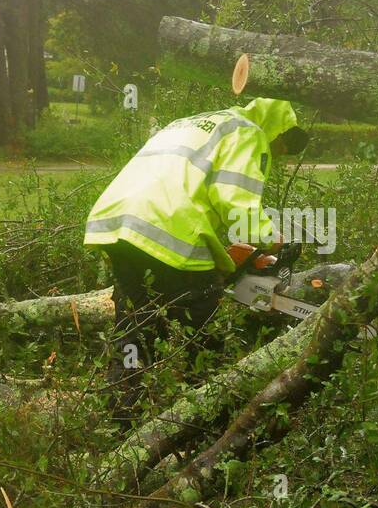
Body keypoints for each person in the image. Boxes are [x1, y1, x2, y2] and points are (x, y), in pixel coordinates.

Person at [84, 97, 308, 424]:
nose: (276, 156)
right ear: (278, 134)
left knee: (136, 324)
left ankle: (121, 418)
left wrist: (230, 253)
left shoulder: (194, 123)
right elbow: (235, 199)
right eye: (280, 150)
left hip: (119, 225)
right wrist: (273, 238)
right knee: (204, 325)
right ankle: (205, 417)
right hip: (164, 230)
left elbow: (187, 192)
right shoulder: (249, 133)